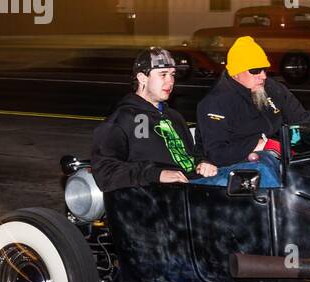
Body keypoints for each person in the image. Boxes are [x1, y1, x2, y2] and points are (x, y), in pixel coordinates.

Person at [196, 35, 310, 189]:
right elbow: (216, 153)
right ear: (236, 72)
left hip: (282, 157)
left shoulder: (272, 88)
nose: (263, 76)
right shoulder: (216, 102)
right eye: (255, 70)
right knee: (266, 169)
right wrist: (259, 145)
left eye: (264, 69)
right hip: (240, 168)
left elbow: (304, 120)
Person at [91, 47, 217, 192]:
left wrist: (203, 162)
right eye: (163, 75)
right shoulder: (125, 118)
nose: (170, 81)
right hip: (166, 195)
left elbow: (194, 154)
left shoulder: (174, 116)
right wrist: (156, 174)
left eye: (172, 74)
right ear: (142, 78)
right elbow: (105, 171)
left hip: (198, 184)